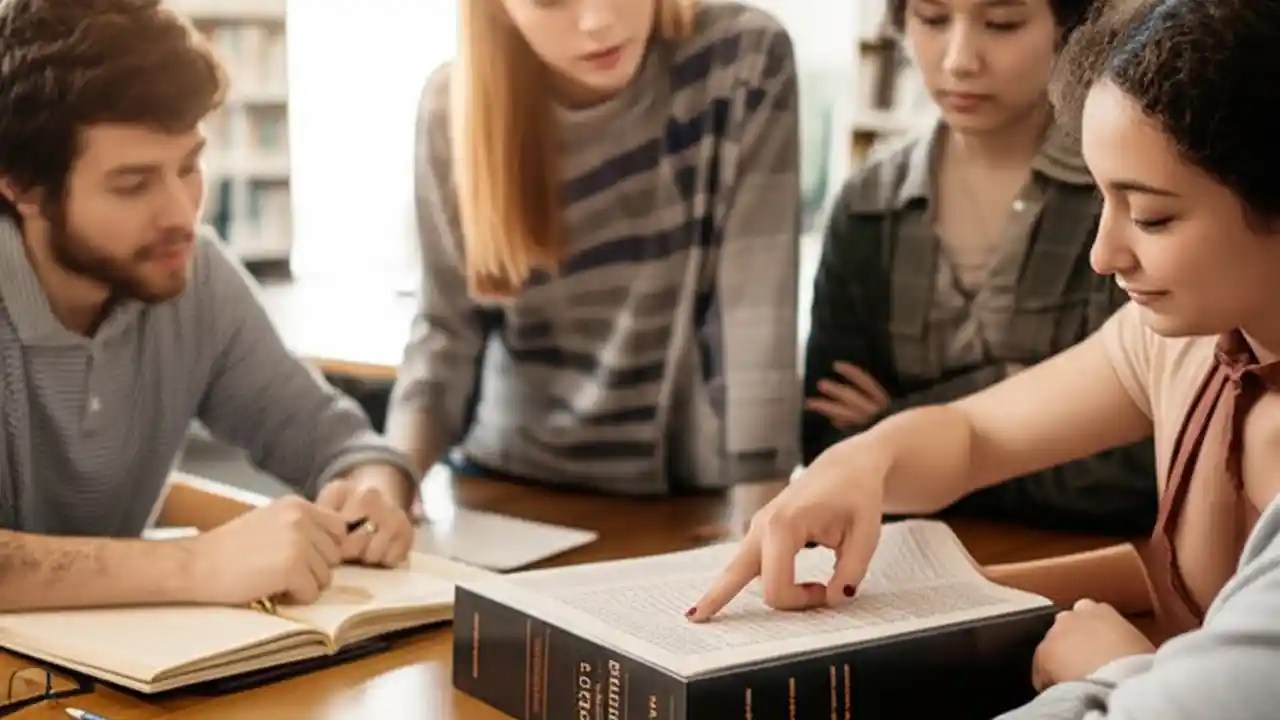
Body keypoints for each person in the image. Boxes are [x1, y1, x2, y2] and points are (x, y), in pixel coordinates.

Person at [692, 0, 1280, 715]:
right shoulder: (1185, 346)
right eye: (1101, 199)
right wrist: (860, 461)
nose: (1103, 254)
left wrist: (1117, 670)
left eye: (1153, 216)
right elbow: (976, 435)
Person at [0, 0, 418, 613]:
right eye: (133, 184)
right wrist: (193, 564)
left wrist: (371, 494)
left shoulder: (194, 275)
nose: (181, 214)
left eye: (190, 166)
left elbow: (339, 443)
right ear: (22, 187)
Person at [386, 0, 802, 519]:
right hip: (503, 485)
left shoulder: (743, 57)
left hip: (680, 498)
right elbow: (446, 329)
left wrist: (763, 529)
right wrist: (392, 477)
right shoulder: (453, 107)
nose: (597, 21)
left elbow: (757, 311)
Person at [802, 0, 1155, 534]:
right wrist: (1026, 400)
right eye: (932, 20)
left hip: (1091, 564)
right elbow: (828, 445)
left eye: (1002, 25)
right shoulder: (867, 206)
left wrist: (902, 428)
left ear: (1066, 27)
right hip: (899, 567)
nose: (961, 60)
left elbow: (1137, 467)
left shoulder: (1123, 197)